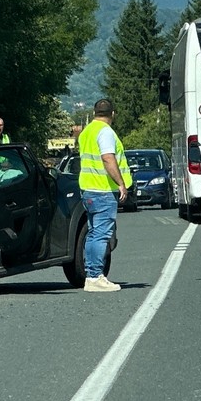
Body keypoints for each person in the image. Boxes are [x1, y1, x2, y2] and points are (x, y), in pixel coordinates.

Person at [77, 98, 133, 293]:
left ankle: (91, 275)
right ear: (113, 114)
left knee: (93, 233)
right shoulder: (106, 132)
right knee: (101, 235)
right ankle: (95, 276)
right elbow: (108, 158)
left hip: (88, 189)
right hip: (103, 190)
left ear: (94, 113)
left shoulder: (86, 132)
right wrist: (121, 183)